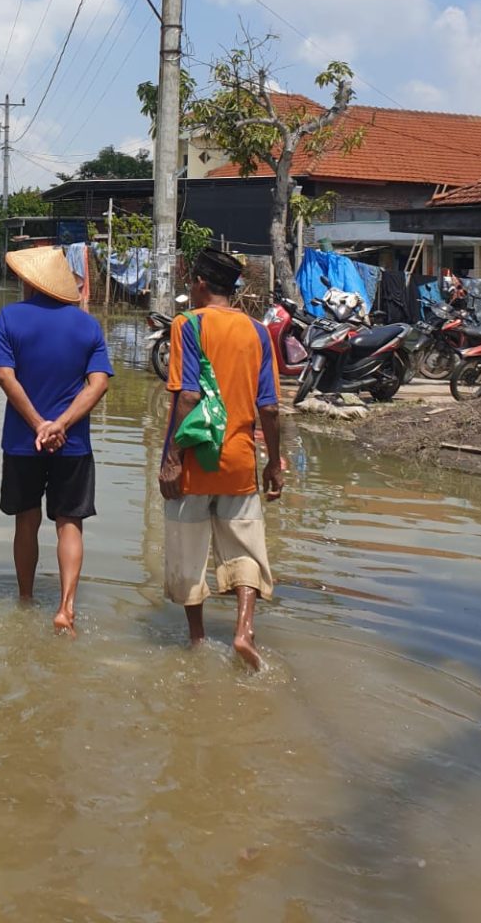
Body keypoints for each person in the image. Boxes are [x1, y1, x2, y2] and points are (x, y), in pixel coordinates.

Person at [159, 247, 282, 671]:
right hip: (240, 462)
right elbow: (269, 407)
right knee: (246, 549)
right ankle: (243, 631)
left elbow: (189, 394)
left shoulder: (187, 324)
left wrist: (171, 459)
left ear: (199, 284)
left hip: (194, 462)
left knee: (188, 554)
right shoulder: (258, 332)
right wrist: (274, 463)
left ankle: (196, 642)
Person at [0, 245, 113, 634]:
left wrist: (40, 423)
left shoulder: (10, 318)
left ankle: (25, 600)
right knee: (69, 523)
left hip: (24, 441)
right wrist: (61, 424)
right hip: (71, 443)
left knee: (26, 521)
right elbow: (99, 383)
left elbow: (6, 377)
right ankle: (65, 608)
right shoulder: (88, 326)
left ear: (30, 282)